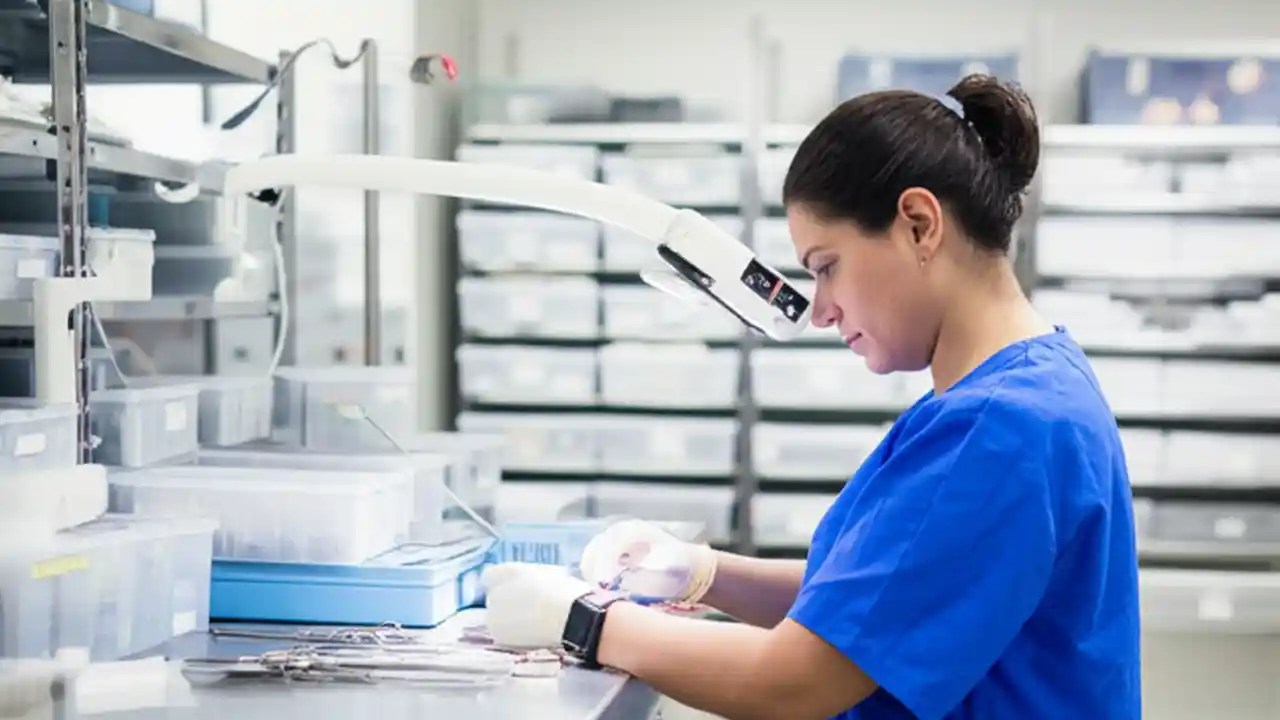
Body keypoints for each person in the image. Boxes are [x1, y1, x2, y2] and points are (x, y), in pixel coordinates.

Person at [482, 73, 1142, 720]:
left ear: (918, 223)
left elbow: (791, 684)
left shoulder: (998, 429)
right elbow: (886, 597)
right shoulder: (1030, 387)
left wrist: (583, 618)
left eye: (826, 266)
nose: (821, 310)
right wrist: (705, 572)